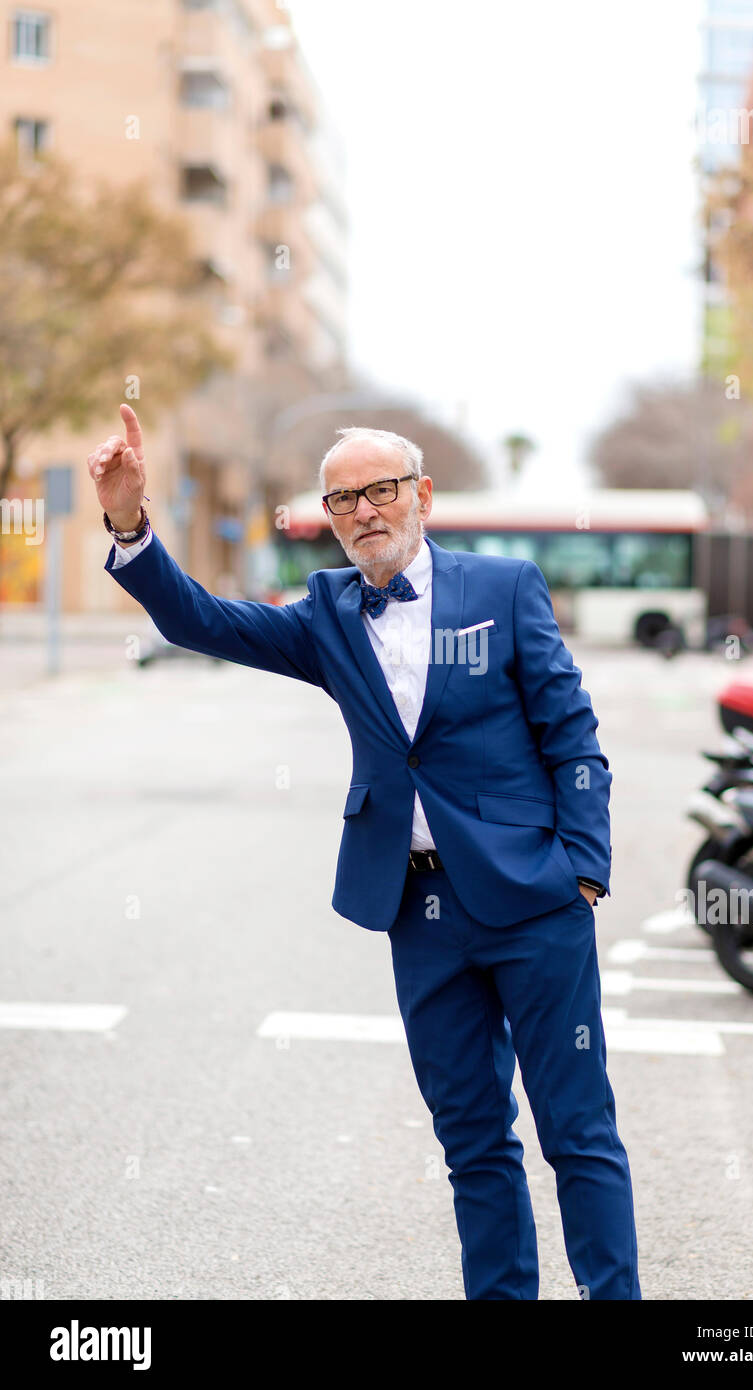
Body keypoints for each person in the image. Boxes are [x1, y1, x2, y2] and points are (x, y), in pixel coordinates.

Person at [89, 403, 641, 1301]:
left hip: (535, 903)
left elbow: (572, 735)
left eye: (381, 490)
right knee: (470, 1138)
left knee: (576, 1130)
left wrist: (582, 869)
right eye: (341, 498)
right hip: (417, 911)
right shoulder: (327, 612)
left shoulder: (502, 588)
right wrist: (127, 524)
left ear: (421, 496)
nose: (363, 511)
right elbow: (200, 623)